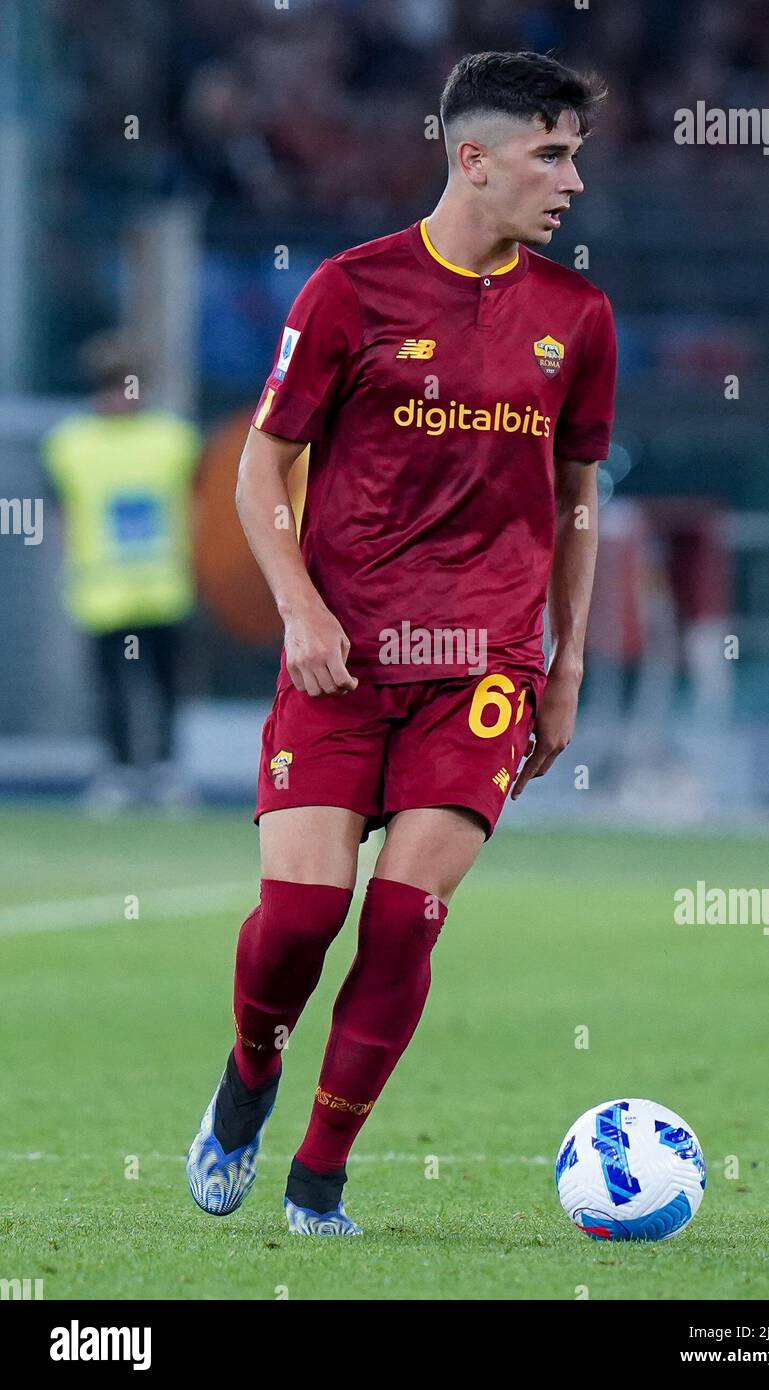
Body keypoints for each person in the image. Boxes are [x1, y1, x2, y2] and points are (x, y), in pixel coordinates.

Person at [186, 50, 616, 1234]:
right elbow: (260, 468)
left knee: (403, 913)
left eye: (573, 152)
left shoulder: (577, 317)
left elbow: (578, 501)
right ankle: (251, 1073)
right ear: (471, 158)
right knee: (302, 919)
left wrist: (564, 662)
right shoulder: (349, 291)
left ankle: (320, 1172)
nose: (571, 178)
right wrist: (299, 608)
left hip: (481, 666)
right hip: (342, 655)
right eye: (551, 153)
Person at [43, 332, 200, 811]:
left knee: (166, 687)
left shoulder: (173, 440)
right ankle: (119, 773)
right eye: (111, 385)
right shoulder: (71, 445)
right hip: (104, 594)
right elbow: (63, 515)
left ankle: (167, 773)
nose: (120, 396)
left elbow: (195, 507)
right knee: (111, 689)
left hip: (163, 589)